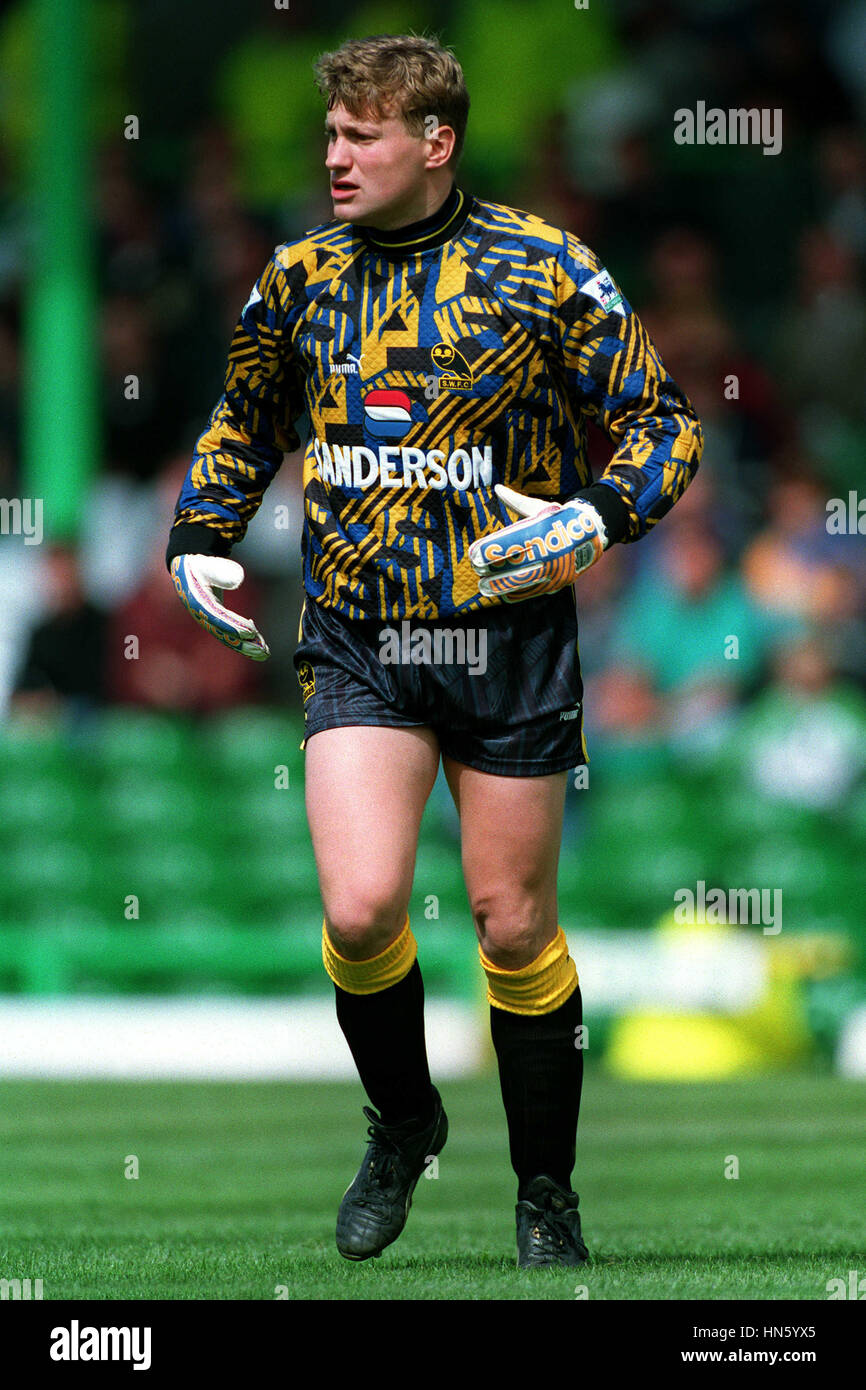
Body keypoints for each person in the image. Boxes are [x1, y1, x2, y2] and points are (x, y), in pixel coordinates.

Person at [165, 33, 702, 1269]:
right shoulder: (298, 276)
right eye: (332, 133)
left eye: (361, 135)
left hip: (505, 638)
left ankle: (546, 1192)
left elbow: (658, 425)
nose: (334, 155)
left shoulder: (544, 269)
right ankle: (403, 1121)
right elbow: (243, 422)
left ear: (433, 142)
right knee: (359, 908)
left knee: (511, 926)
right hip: (357, 634)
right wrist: (201, 533)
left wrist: (595, 516)